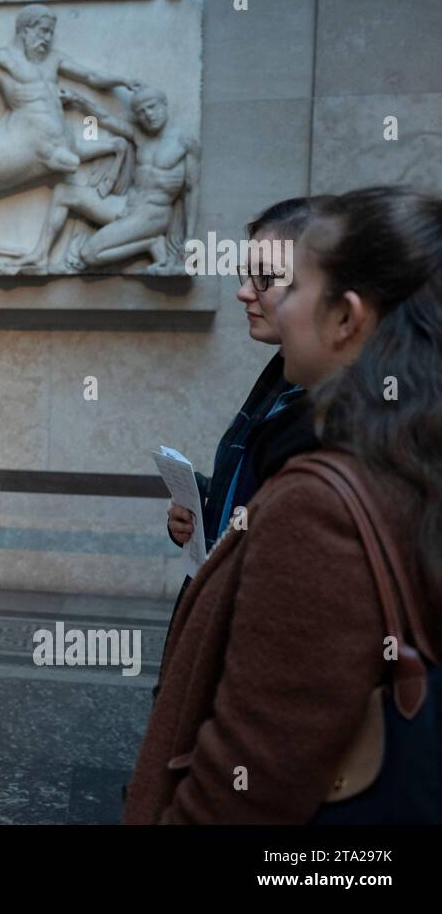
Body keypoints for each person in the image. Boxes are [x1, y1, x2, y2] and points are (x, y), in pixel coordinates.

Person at [125, 185, 442, 823]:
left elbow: (245, 787)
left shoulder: (321, 508)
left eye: (291, 288)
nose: (261, 299)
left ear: (346, 317)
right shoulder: (409, 452)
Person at [153, 198, 314, 700]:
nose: (245, 291)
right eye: (248, 273)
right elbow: (252, 497)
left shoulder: (332, 420)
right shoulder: (281, 380)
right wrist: (203, 507)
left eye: (265, 278)